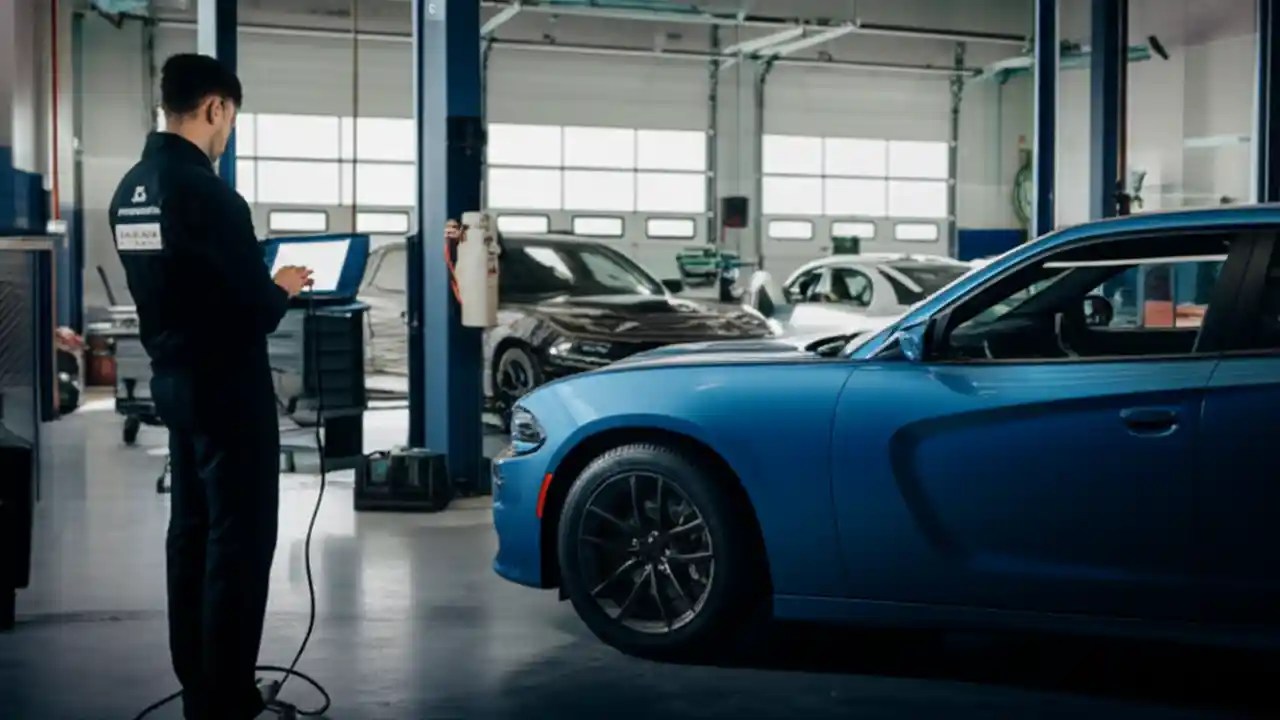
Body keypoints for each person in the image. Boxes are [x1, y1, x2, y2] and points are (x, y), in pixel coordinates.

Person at [108, 53, 312, 720]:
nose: (225, 137)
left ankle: (199, 681)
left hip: (175, 384)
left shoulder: (131, 189)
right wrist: (280, 287)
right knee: (240, 539)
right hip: (229, 388)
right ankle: (226, 696)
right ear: (215, 108)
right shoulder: (209, 194)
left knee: (191, 531)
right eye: (229, 122)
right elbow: (252, 308)